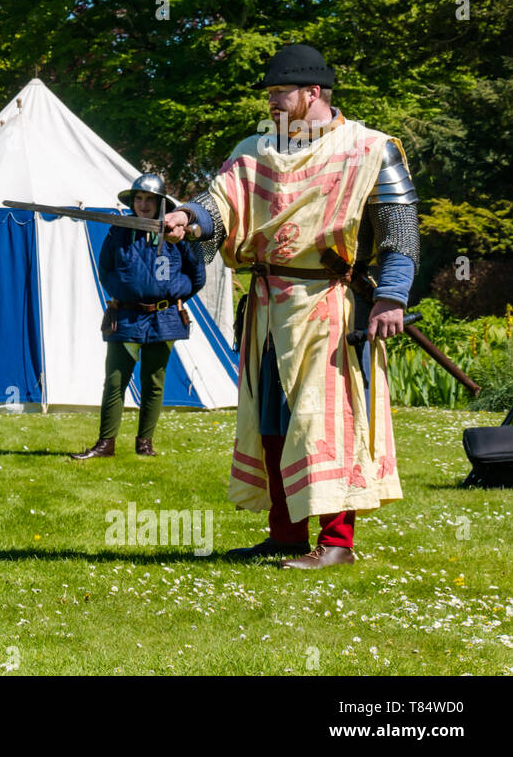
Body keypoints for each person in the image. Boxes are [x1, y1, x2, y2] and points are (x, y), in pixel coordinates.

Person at [163, 44, 418, 570]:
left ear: (314, 93)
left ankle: (338, 542)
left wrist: (390, 297)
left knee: (325, 421)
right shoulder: (254, 151)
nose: (273, 101)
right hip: (267, 306)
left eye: (281, 92)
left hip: (330, 303)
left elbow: (400, 235)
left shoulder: (369, 149)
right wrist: (188, 218)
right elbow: (220, 204)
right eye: (272, 92)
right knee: (275, 420)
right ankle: (285, 535)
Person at [71, 174, 206, 460]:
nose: (143, 204)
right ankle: (106, 443)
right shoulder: (119, 231)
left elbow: (197, 277)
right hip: (127, 315)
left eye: (149, 199)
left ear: (160, 203)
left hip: (164, 317)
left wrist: (170, 293)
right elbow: (105, 269)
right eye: (139, 198)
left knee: (154, 382)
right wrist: (126, 288)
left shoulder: (177, 234)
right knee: (116, 380)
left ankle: (145, 444)